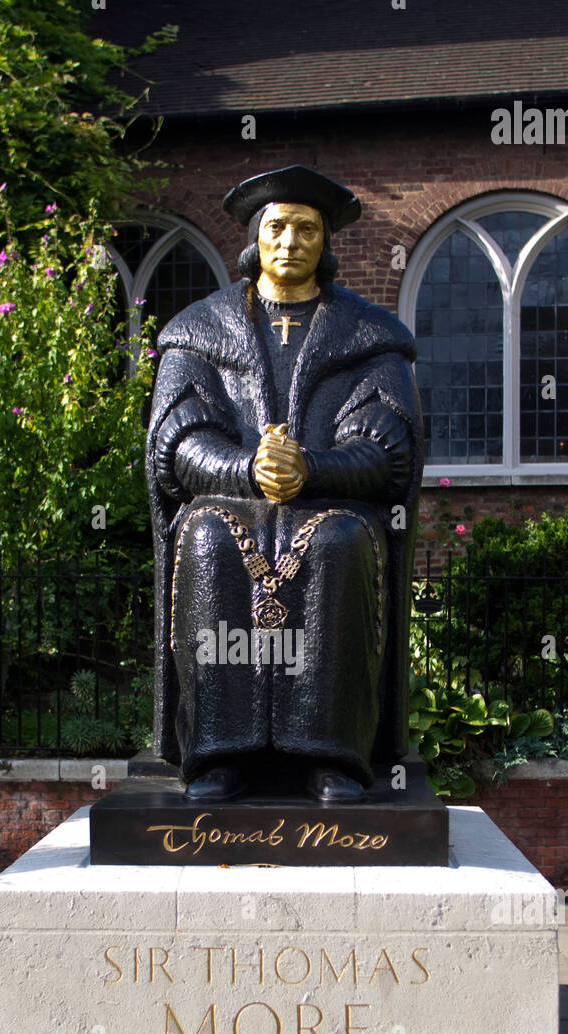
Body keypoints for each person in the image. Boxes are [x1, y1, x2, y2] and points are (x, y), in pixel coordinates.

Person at [145, 165, 423, 802]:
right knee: (211, 534)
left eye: (306, 228)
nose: (290, 241)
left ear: (325, 241)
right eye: (277, 227)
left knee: (336, 544)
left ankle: (330, 755)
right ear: (254, 238)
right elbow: (177, 439)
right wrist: (246, 468)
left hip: (333, 508)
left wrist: (314, 469)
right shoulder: (198, 332)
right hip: (229, 501)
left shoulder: (371, 336)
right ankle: (218, 753)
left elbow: (389, 446)